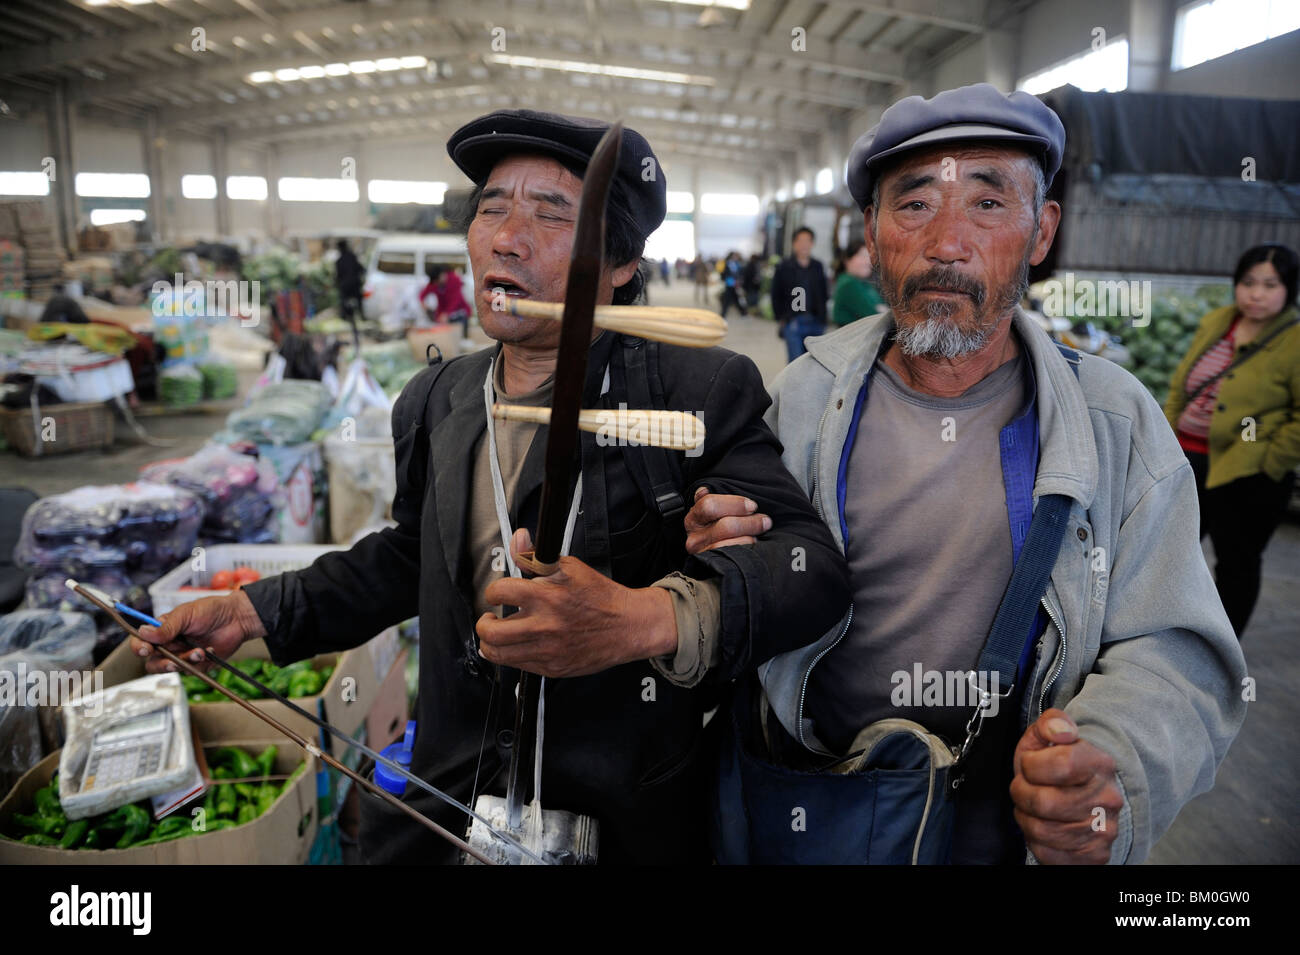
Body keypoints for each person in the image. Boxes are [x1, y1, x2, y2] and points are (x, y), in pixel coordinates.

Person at [132, 109, 850, 866]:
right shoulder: (438, 399)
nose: (507, 236)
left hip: (626, 819)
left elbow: (812, 573)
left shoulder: (695, 388)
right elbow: (411, 558)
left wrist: (645, 618)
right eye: (492, 208)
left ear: (622, 265)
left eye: (551, 213)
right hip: (451, 807)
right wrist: (251, 610)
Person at [685, 83, 1246, 864]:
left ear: (1041, 230)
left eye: (988, 204)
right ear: (874, 235)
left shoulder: (1113, 421)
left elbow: (1175, 648)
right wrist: (724, 550)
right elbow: (751, 583)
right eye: (913, 205)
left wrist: (1108, 759)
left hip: (1006, 827)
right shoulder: (804, 398)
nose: (947, 243)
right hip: (816, 799)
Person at [1163, 243, 1300, 637]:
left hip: (1248, 471)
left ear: (1289, 289)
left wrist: (1271, 461)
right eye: (1248, 282)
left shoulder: (1292, 341)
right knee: (1171, 554)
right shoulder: (1219, 321)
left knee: (1236, 563)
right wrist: (1168, 431)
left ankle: (1222, 651)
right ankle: (1164, 642)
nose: (1256, 294)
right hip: (1189, 459)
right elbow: (1182, 383)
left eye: (1270, 285)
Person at [771, 226, 830, 362]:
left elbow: (824, 292)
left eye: (808, 241)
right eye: (800, 241)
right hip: (793, 322)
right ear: (794, 243)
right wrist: (782, 318)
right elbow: (776, 294)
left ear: (812, 244)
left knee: (815, 364)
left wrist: (822, 317)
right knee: (795, 364)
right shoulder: (784, 266)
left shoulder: (818, 266)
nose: (804, 244)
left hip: (815, 322)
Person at [831, 239, 884, 327]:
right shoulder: (849, 284)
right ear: (847, 260)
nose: (867, 261)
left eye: (869, 256)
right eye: (862, 256)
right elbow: (876, 317)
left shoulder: (862, 283)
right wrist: (879, 309)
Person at [335, 239, 364, 323]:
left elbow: (338, 275)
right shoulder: (352, 257)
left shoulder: (340, 261)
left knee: (344, 299)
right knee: (358, 299)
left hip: (347, 284)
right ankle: (361, 314)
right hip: (354, 283)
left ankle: (344, 315)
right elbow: (360, 269)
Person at [718, 251, 747, 318]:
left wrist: (739, 280)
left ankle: (743, 312)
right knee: (729, 299)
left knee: (735, 299)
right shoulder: (727, 263)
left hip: (735, 284)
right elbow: (724, 273)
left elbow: (740, 273)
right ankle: (724, 313)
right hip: (730, 283)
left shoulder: (738, 264)